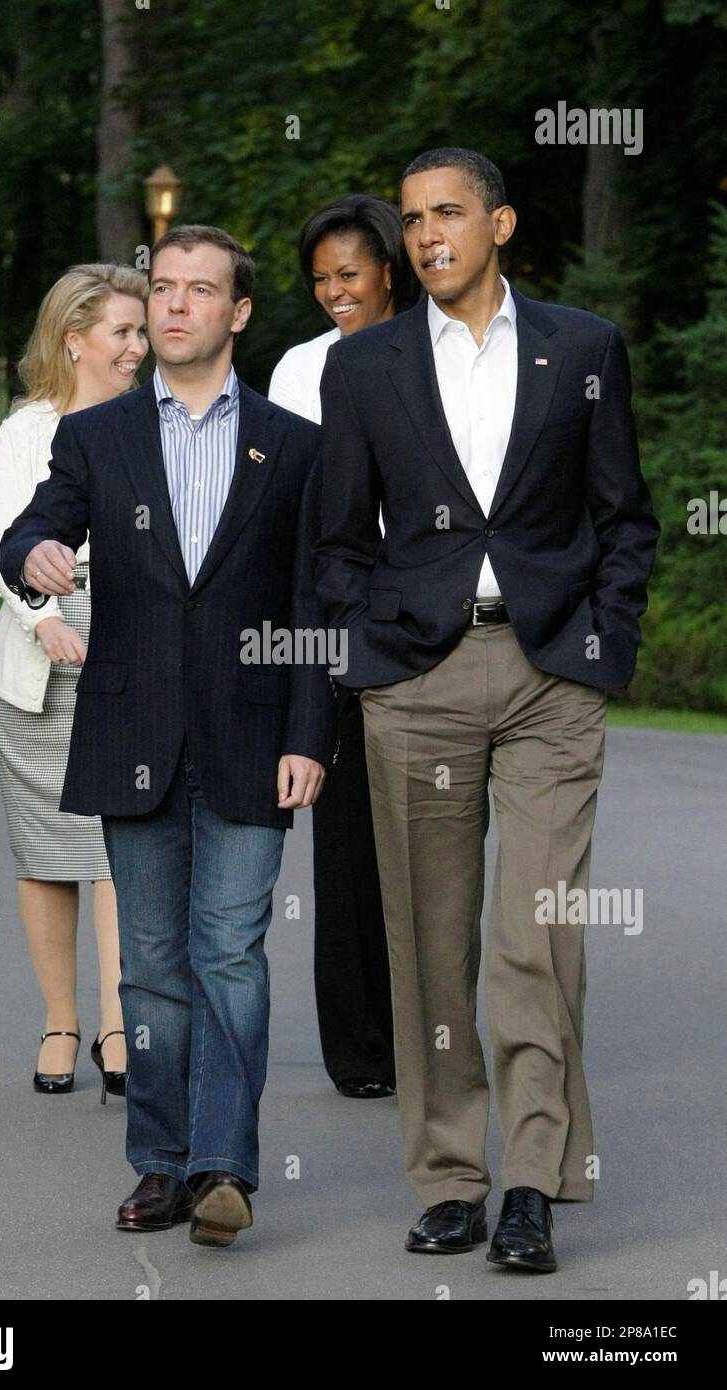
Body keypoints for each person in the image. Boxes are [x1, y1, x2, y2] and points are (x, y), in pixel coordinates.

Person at [314, 148, 659, 1271]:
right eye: (412, 219)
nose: (425, 236)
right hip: (418, 684)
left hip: (551, 676)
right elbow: (334, 540)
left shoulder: (582, 349)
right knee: (426, 942)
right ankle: (452, 1177)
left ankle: (532, 1183)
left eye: (448, 213)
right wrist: (374, 658)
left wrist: (601, 648)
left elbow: (626, 519)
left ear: (500, 223)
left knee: (536, 938)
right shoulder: (363, 368)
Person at [0, 225, 335, 1248]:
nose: (177, 304)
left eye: (201, 290)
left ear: (237, 314)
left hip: (252, 735)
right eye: (166, 287)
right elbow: (31, 528)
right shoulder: (97, 438)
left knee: (228, 950)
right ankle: (159, 1162)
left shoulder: (295, 445)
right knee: (147, 963)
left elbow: (316, 599)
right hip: (131, 729)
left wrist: (310, 735)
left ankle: (224, 1165)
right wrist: (39, 552)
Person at [0, 263, 149, 1101]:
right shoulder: (25, 431)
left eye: (140, 331)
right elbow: (3, 539)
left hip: (130, 653)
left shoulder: (154, 424)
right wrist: (41, 616)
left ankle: (120, 1023)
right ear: (74, 338)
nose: (136, 347)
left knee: (121, 847)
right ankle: (60, 1021)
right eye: (120, 331)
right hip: (37, 657)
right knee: (49, 854)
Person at [269, 195, 419, 1101]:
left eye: (349, 274)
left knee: (432, 848)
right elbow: (291, 514)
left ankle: (431, 1033)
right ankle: (361, 1047)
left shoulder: (441, 355)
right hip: (339, 616)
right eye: (319, 278)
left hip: (430, 615)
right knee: (350, 839)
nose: (333, 292)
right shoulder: (300, 368)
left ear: (389, 270)